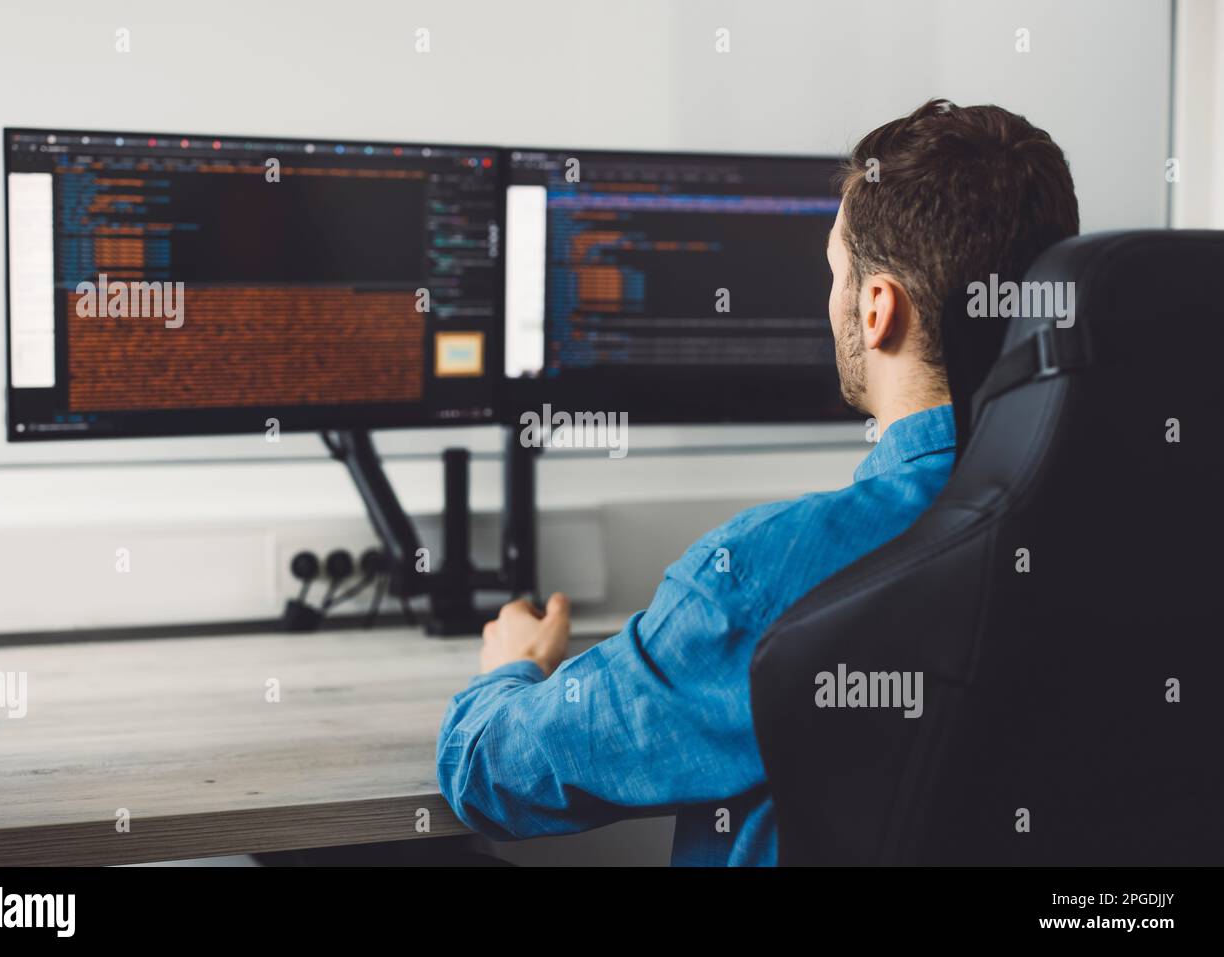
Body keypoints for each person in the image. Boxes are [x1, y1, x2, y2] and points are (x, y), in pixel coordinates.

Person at [437, 99, 1081, 865]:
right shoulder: (1135, 539)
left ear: (878, 310)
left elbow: (492, 772)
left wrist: (511, 666)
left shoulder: (765, 578)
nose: (828, 298)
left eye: (835, 270)